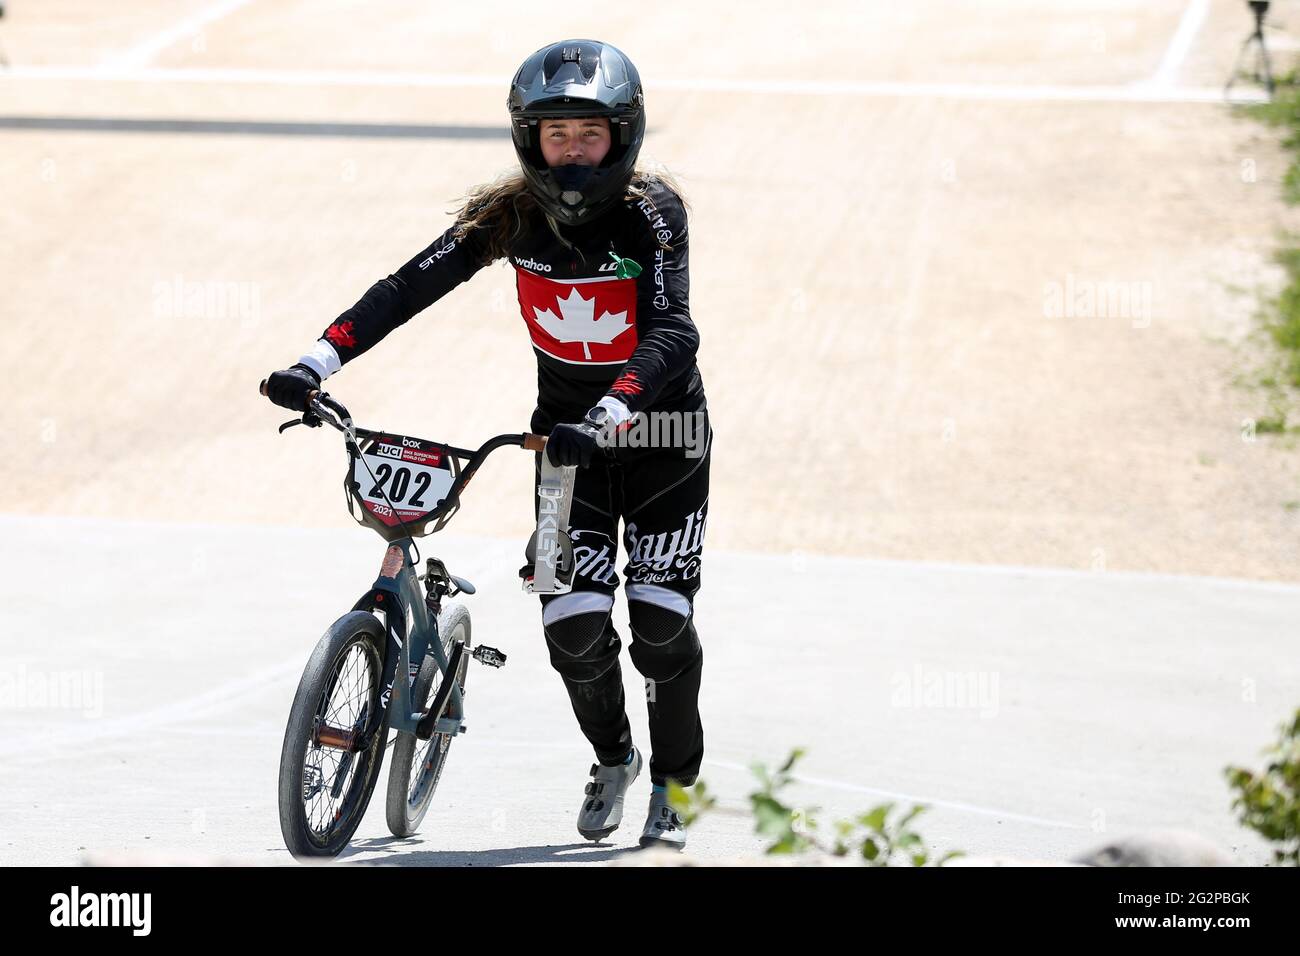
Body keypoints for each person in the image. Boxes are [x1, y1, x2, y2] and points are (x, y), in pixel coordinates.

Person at [262, 39, 710, 851]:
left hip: (662, 437)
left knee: (658, 624)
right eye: (555, 137)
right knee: (572, 629)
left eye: (590, 135)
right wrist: (316, 359)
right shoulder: (509, 217)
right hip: (563, 446)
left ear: (624, 135)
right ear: (526, 141)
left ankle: (678, 785)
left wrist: (610, 411)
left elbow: (676, 332)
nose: (572, 154)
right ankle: (615, 760)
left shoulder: (652, 215)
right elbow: (407, 287)